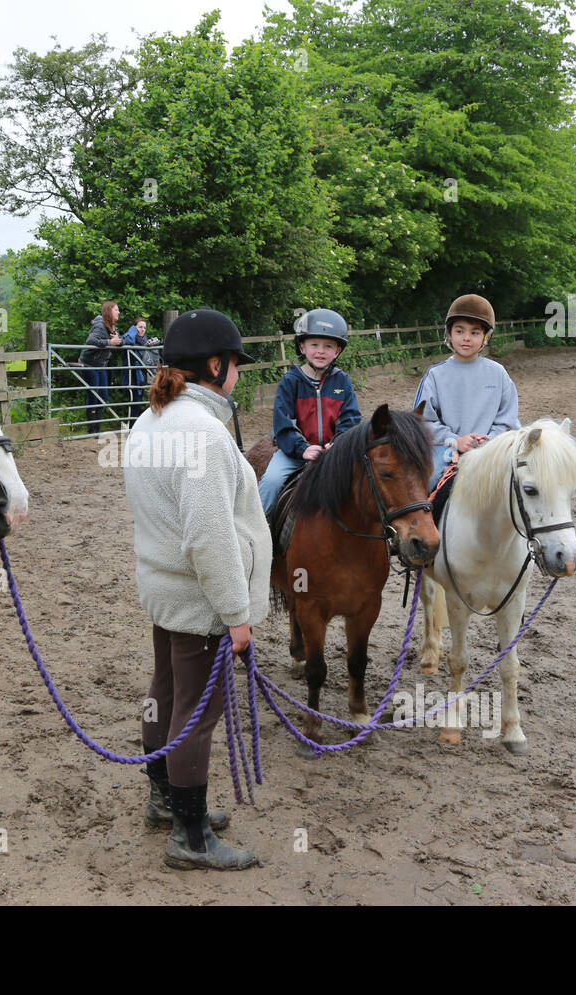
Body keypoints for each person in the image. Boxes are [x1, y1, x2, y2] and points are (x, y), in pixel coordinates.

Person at [124, 308, 271, 871]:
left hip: (163, 585)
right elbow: (209, 537)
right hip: (201, 595)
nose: (237, 374)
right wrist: (236, 612)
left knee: (165, 689)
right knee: (197, 713)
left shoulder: (151, 420)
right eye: (234, 364)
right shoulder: (203, 432)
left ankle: (166, 800)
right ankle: (190, 835)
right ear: (215, 364)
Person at [257, 309, 363, 516]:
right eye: (314, 345)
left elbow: (350, 419)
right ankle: (259, 531)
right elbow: (283, 422)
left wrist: (339, 443)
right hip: (294, 453)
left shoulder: (343, 381)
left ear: (337, 351)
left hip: (334, 453)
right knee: (271, 481)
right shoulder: (291, 381)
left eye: (328, 346)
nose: (321, 351)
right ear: (302, 347)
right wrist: (302, 448)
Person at [412, 294, 520, 491]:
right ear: (449, 334)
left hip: (492, 449)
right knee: (425, 481)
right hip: (447, 448)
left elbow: (508, 420)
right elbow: (422, 421)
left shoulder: (498, 373)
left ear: (486, 337)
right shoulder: (435, 375)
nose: (467, 338)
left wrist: (489, 441)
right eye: (460, 331)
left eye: (475, 332)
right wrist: (456, 440)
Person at [77, 300, 121, 433]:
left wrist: (118, 340)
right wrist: (109, 342)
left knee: (104, 397)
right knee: (94, 396)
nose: (118, 312)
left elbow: (121, 340)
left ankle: (97, 427)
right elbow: (90, 341)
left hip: (101, 365)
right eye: (116, 310)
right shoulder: (100, 326)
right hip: (89, 363)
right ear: (109, 311)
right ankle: (92, 430)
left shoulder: (112, 327)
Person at [120, 316, 160, 415]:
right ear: (133, 328)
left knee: (140, 402)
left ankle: (135, 425)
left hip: (143, 377)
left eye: (144, 327)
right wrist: (133, 330)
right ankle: (132, 426)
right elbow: (128, 342)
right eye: (139, 327)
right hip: (132, 376)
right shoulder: (129, 338)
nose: (142, 330)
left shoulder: (145, 341)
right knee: (134, 403)